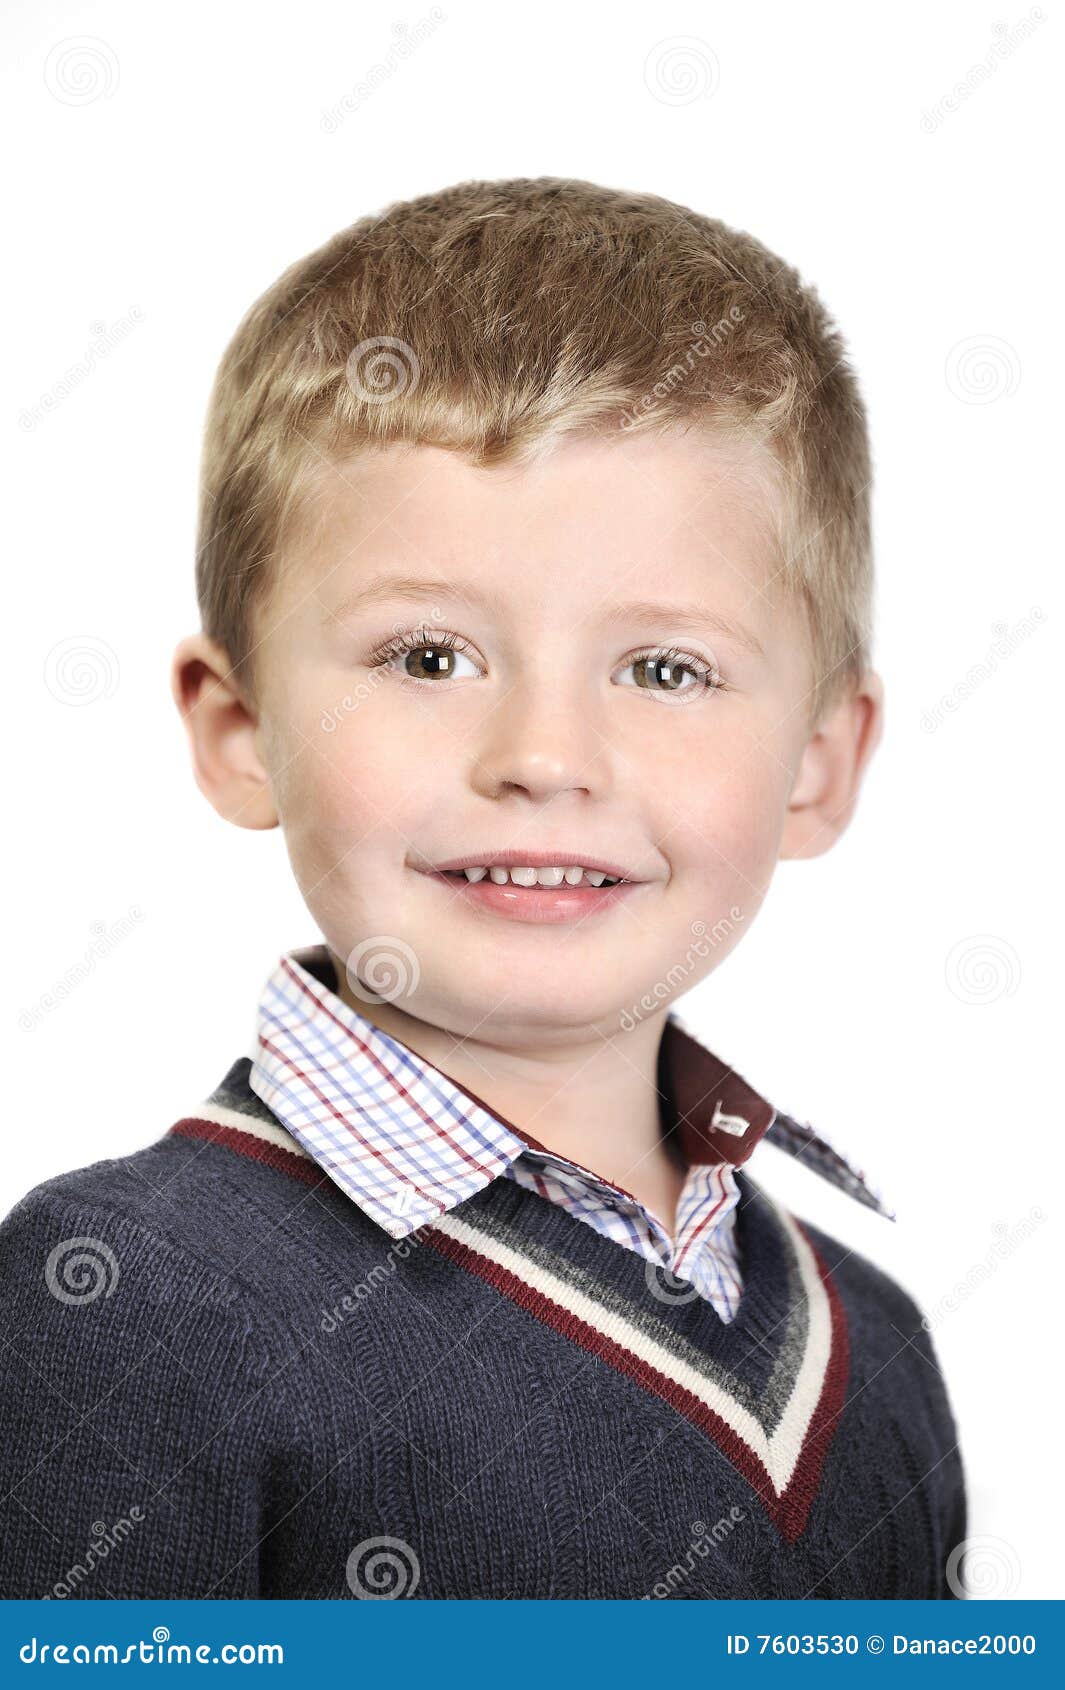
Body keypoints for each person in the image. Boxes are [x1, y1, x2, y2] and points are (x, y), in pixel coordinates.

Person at [0, 177, 966, 1599]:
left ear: (817, 762)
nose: (543, 757)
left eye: (663, 668)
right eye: (429, 657)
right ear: (237, 728)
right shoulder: (125, 1301)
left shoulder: (866, 1333)